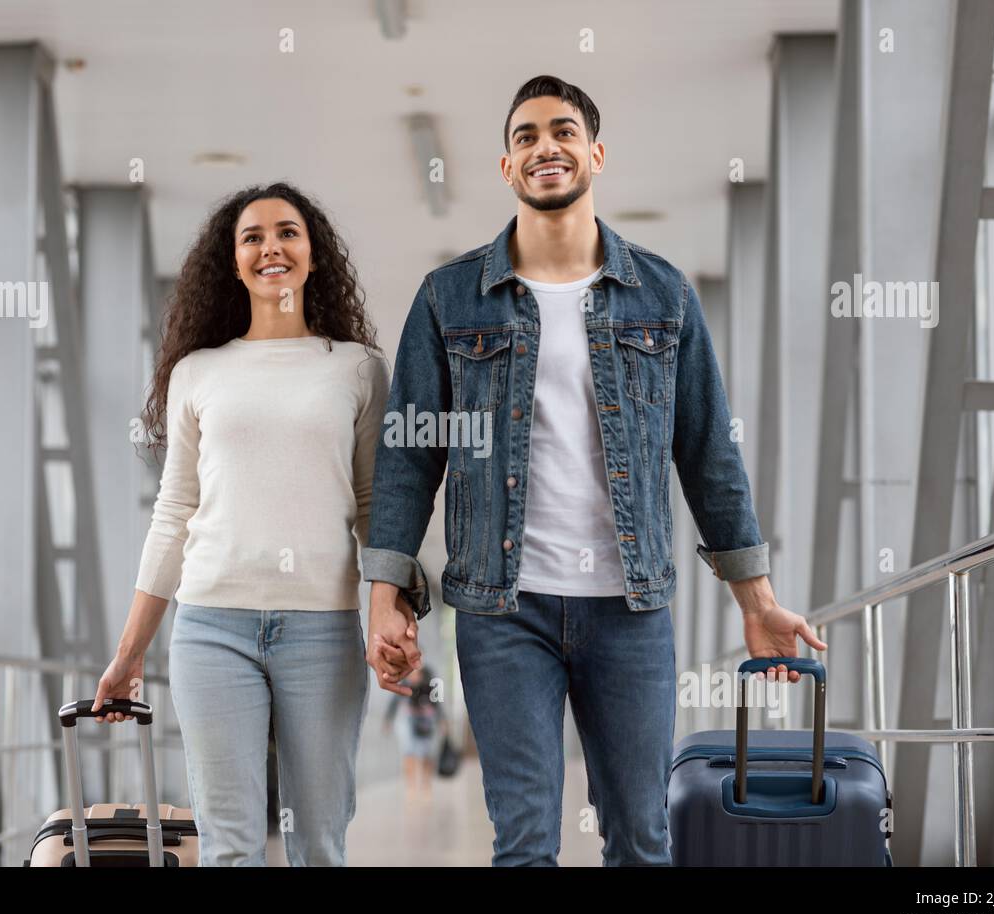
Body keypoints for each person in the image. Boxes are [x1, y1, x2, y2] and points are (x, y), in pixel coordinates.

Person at [361, 76, 826, 866]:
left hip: (630, 610)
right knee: (526, 844)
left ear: (596, 154)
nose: (546, 146)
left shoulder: (663, 293)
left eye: (564, 131)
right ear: (506, 167)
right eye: (527, 136)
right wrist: (384, 596)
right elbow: (409, 454)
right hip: (502, 610)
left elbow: (708, 452)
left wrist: (759, 600)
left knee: (643, 839)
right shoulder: (449, 299)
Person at [91, 182, 415, 866]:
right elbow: (175, 513)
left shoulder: (355, 369)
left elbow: (373, 503)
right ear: (233, 263)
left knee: (319, 844)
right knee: (230, 847)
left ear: (314, 254)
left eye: (287, 232)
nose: (271, 246)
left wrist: (390, 609)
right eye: (253, 237)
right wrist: (129, 653)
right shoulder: (198, 372)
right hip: (211, 628)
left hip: (321, 633)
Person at [382, 665, 448, 798]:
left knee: (427, 753)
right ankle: (411, 786)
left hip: (426, 720)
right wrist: (388, 719)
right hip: (407, 720)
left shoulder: (431, 679)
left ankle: (426, 784)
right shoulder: (404, 679)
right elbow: (394, 701)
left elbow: (438, 702)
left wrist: (442, 721)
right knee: (409, 752)